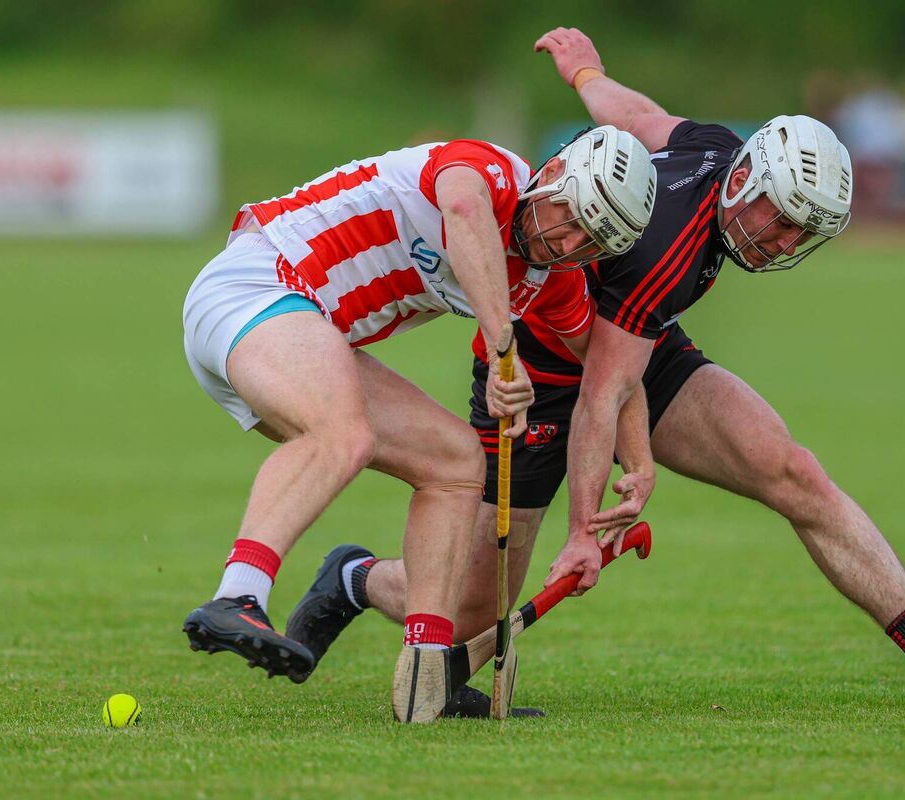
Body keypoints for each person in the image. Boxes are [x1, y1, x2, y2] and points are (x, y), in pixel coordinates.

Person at [286, 27, 905, 716]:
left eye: (801, 233)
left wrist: (585, 73)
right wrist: (585, 531)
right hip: (539, 373)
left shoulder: (717, 150)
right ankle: (355, 578)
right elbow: (600, 396)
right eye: (780, 219)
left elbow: (640, 117)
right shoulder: (664, 251)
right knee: (473, 608)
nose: (782, 243)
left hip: (638, 345)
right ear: (749, 182)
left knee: (791, 470)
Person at [180, 124, 656, 723]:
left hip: (309, 334)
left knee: (456, 462)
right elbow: (463, 212)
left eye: (592, 243)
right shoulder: (486, 172)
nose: (569, 244)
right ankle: (238, 596)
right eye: (573, 217)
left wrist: (639, 463)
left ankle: (428, 676)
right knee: (343, 434)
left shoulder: (552, 281)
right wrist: (504, 346)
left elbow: (613, 371)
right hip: (257, 285)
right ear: (555, 174)